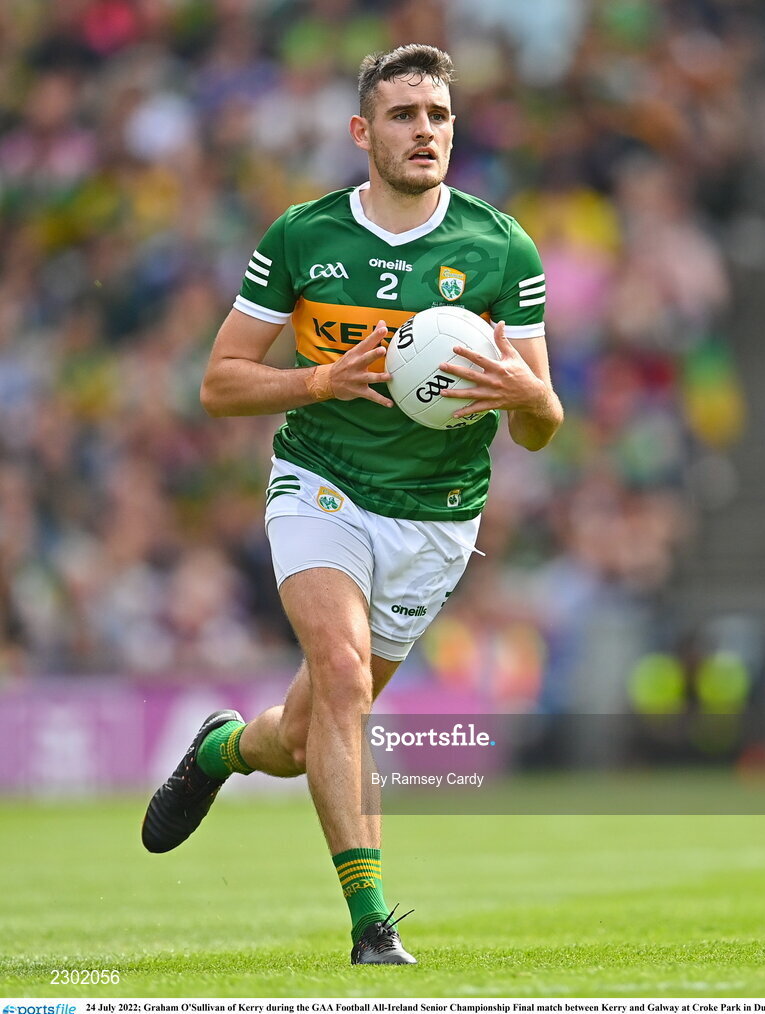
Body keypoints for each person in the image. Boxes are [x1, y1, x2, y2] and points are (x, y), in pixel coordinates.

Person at [141, 43, 563, 965]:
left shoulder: (500, 248)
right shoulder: (302, 237)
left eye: (439, 116)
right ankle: (371, 922)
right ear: (361, 131)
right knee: (336, 675)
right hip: (320, 486)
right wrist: (320, 380)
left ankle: (221, 750)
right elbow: (219, 385)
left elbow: (542, 423)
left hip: (439, 515)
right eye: (405, 115)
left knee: (300, 737)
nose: (425, 131)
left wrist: (529, 398)